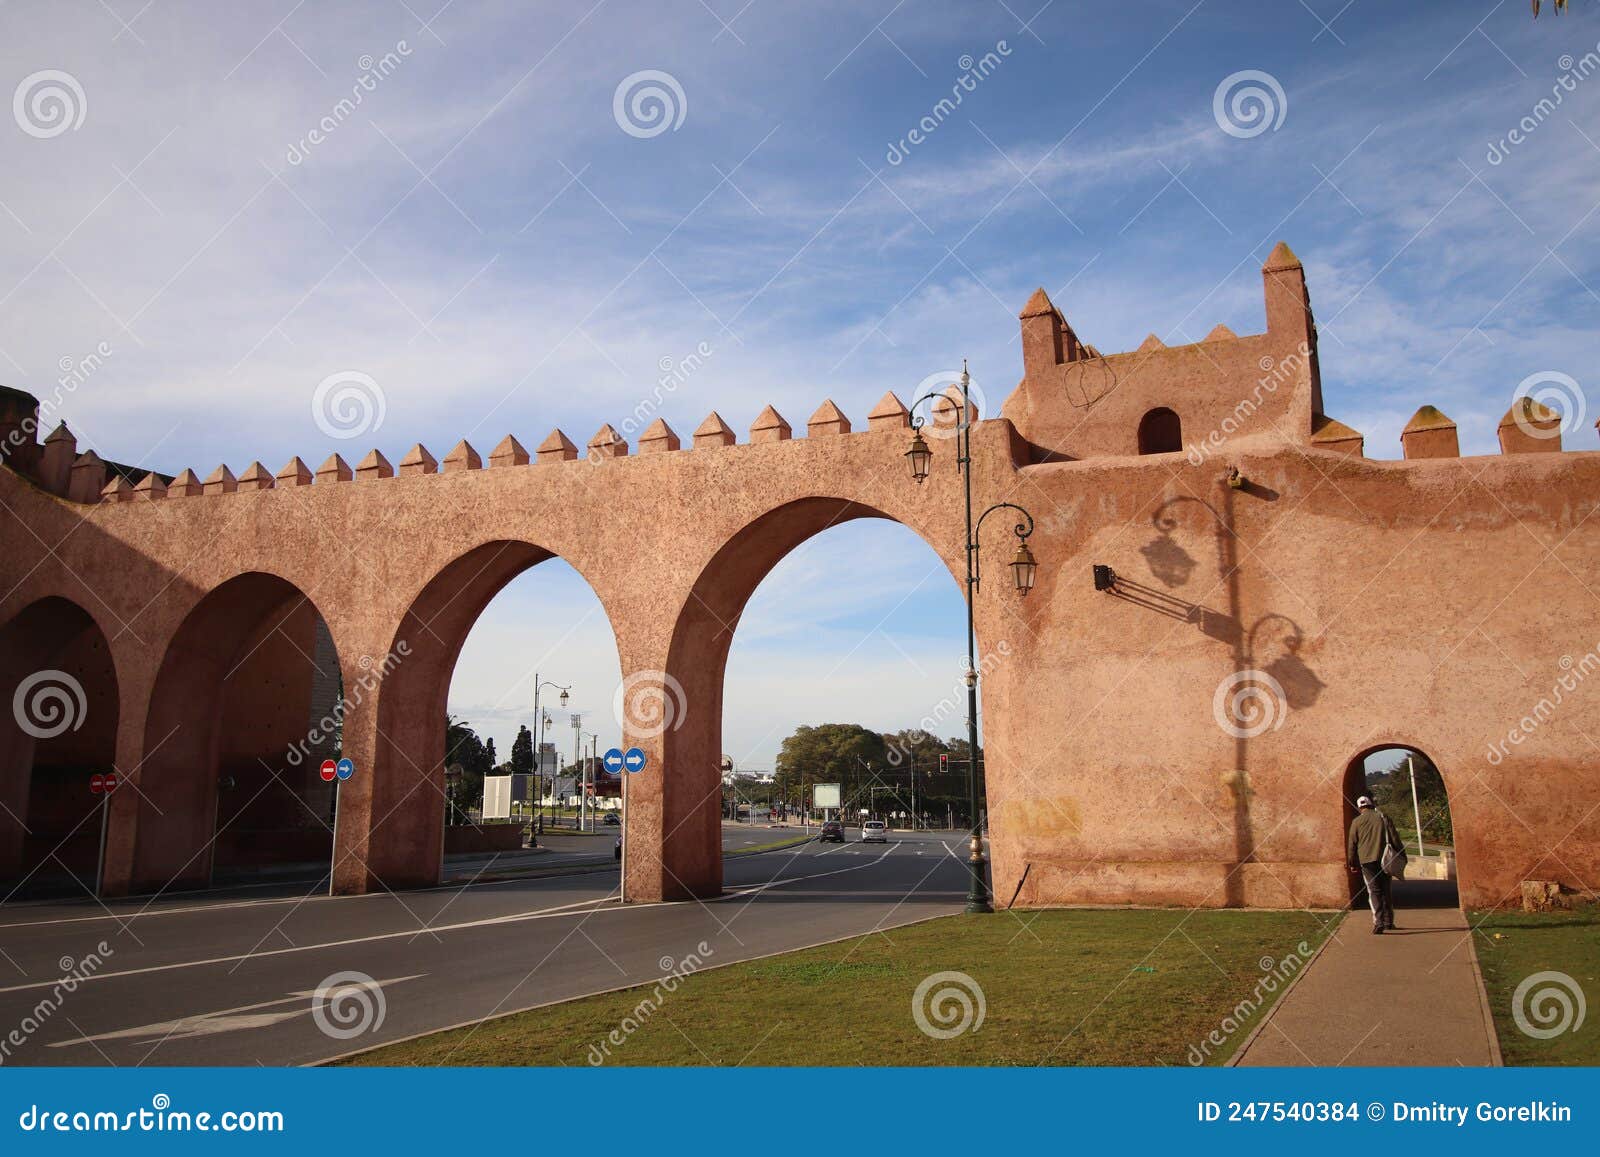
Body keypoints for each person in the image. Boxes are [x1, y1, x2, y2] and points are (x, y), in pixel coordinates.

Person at [1347, 794, 1402, 933]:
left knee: (1373, 891)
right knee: (1386, 890)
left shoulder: (1356, 822)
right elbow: (1394, 838)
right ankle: (1388, 921)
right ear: (1371, 805)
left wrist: (1352, 863)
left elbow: (1352, 844)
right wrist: (1401, 855)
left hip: (1366, 861)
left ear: (1359, 808)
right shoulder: (1383, 817)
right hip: (1384, 859)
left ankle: (1378, 922)